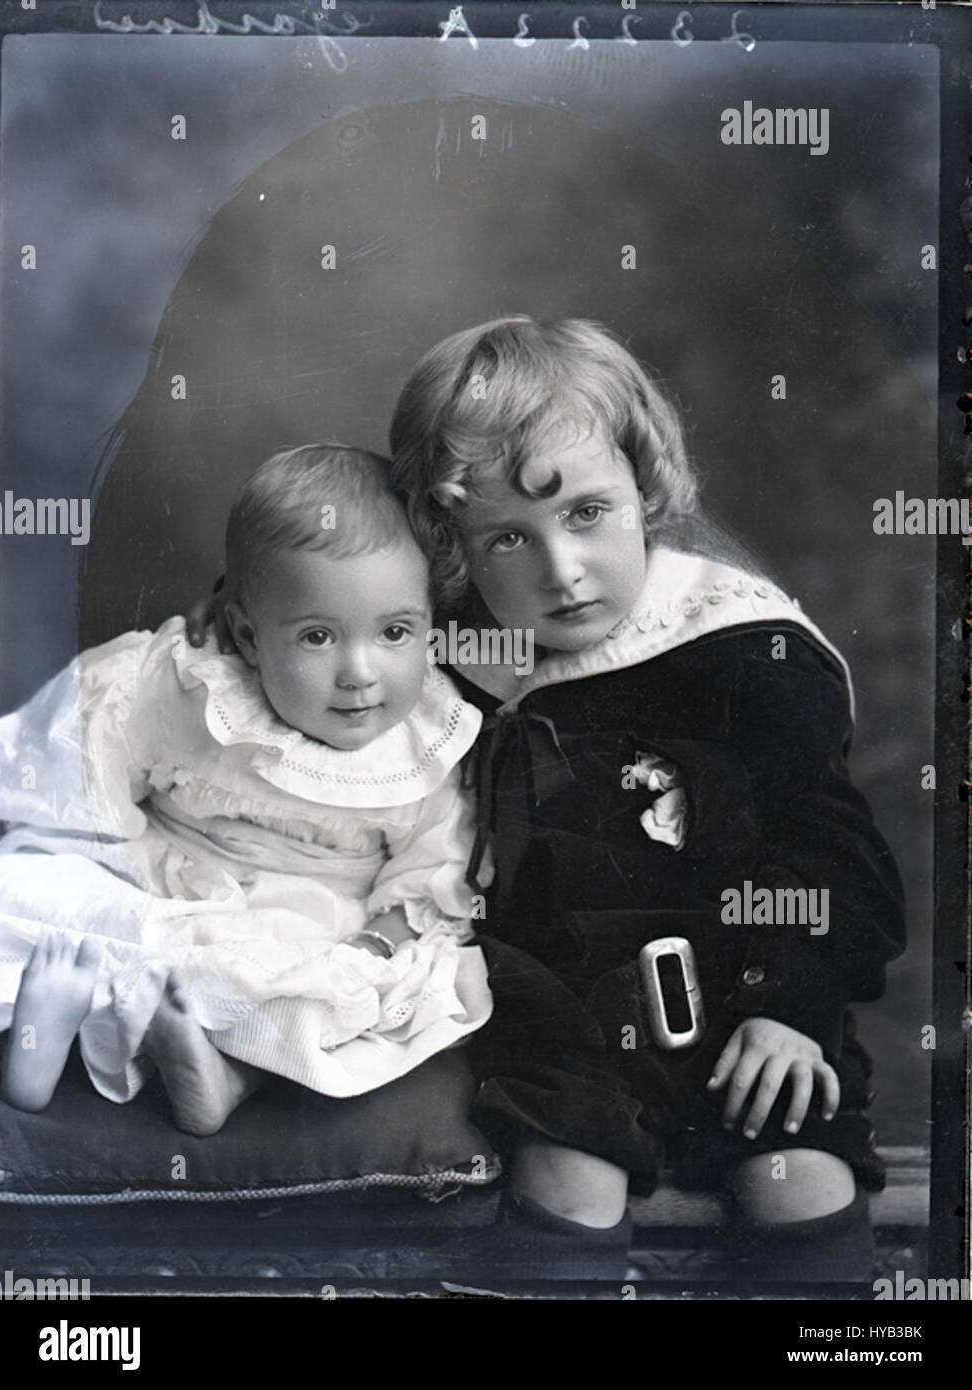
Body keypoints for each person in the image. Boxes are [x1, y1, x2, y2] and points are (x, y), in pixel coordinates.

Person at [386, 316, 907, 1283]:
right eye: (508, 537)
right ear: (452, 546)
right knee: (564, 1183)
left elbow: (831, 852)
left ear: (645, 488)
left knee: (796, 1179)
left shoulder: (743, 648)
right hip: (565, 1022)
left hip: (745, 1007)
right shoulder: (463, 655)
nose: (561, 570)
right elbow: (324, 599)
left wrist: (786, 1006)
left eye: (586, 513)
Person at [0, 445, 491, 1136]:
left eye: (395, 633)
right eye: (317, 637)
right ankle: (46, 1029)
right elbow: (83, 771)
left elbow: (430, 874)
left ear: (429, 626)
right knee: (25, 888)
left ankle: (219, 1075)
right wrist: (102, 870)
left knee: (356, 992)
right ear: (247, 636)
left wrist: (371, 949)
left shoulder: (430, 745)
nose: (359, 673)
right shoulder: (191, 684)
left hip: (312, 928)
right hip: (160, 890)